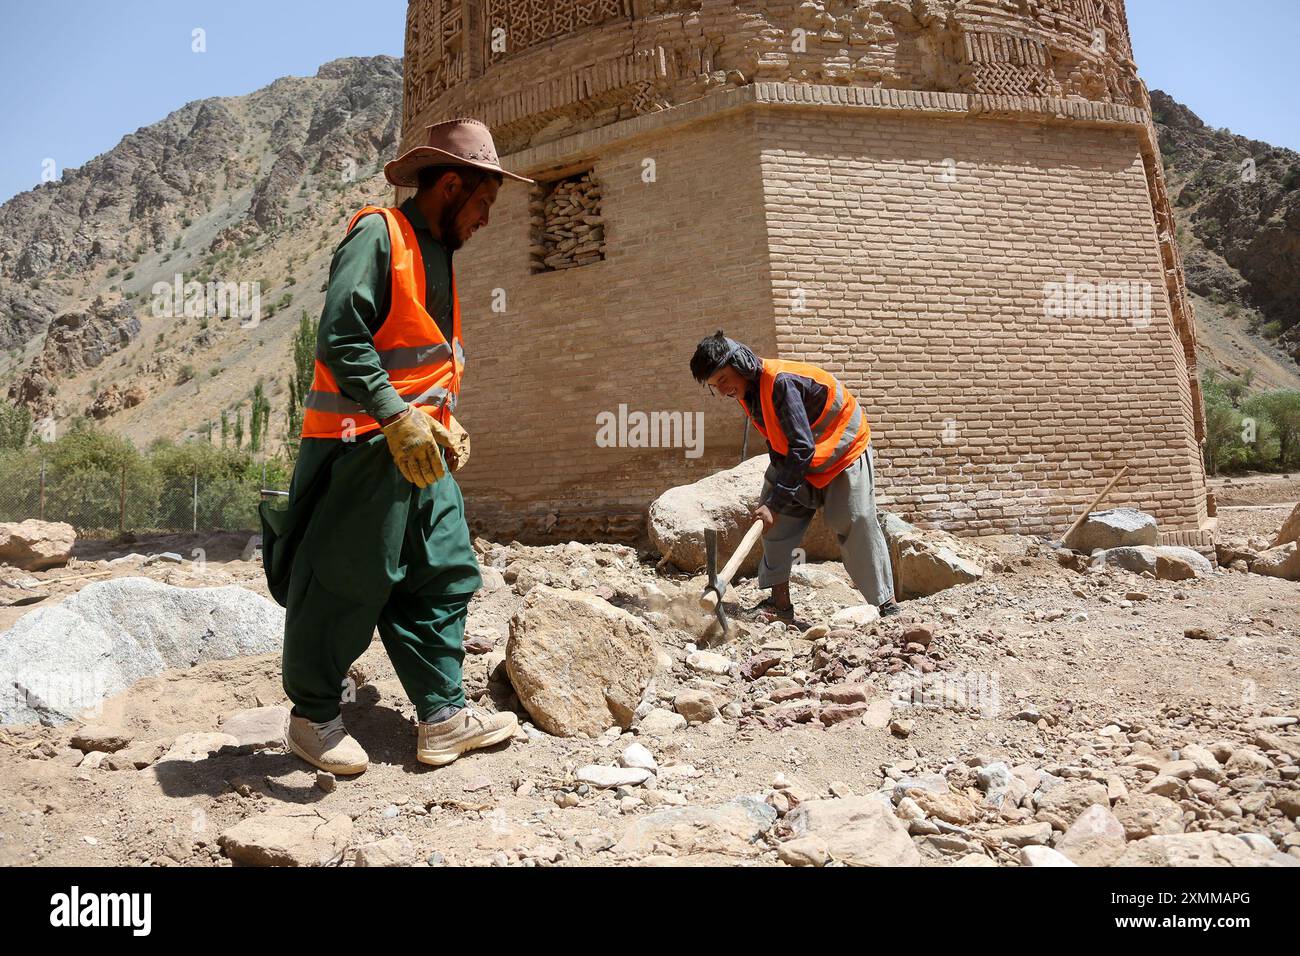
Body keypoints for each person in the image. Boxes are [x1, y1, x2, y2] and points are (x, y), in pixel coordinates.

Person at [260, 119, 533, 775]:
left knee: (444, 571)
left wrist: (441, 418)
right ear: (448, 184)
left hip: (421, 450)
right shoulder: (378, 235)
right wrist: (395, 414)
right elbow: (341, 336)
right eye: (483, 203)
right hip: (364, 447)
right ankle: (313, 719)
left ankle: (441, 718)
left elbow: (422, 357)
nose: (486, 220)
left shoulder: (436, 251)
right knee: (349, 579)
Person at [690, 331, 901, 623]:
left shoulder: (782, 383)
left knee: (854, 521)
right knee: (774, 524)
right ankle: (780, 606)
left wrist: (775, 502)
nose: (723, 390)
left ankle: (886, 604)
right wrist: (775, 499)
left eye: (724, 379)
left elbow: (802, 447)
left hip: (842, 450)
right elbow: (779, 438)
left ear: (740, 364)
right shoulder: (747, 391)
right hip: (802, 455)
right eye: (715, 386)